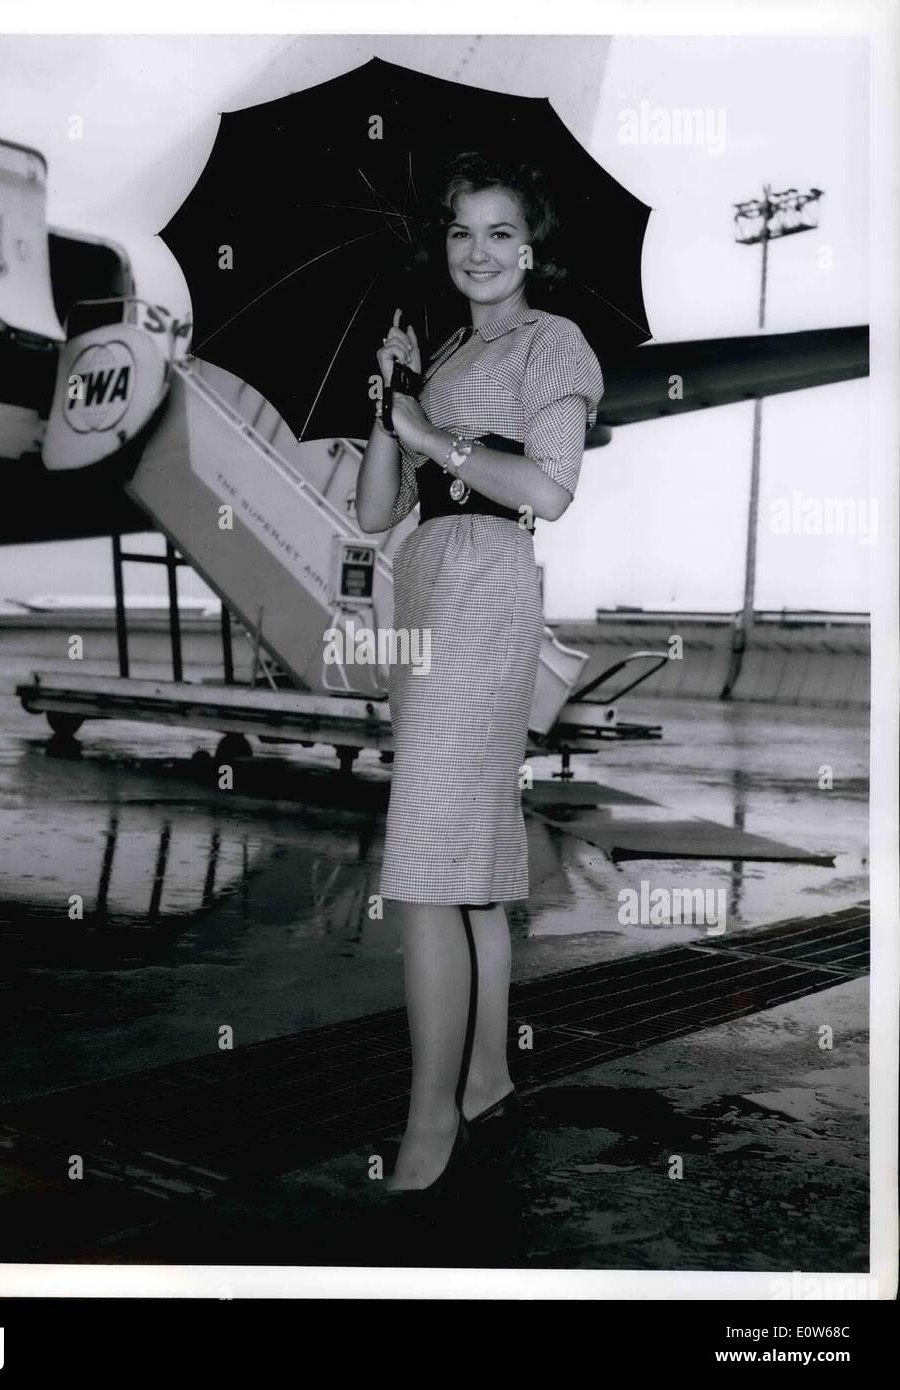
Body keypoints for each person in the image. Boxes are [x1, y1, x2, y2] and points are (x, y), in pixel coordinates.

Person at [355, 151, 604, 1196]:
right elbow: (373, 512)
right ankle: (488, 1073)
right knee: (468, 851)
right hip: (423, 581)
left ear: (530, 248)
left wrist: (433, 436)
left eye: (501, 232)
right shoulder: (445, 349)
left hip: (490, 580)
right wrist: (393, 401)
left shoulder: (556, 344)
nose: (479, 250)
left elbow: (549, 491)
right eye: (462, 231)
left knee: (423, 864)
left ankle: (428, 1128)